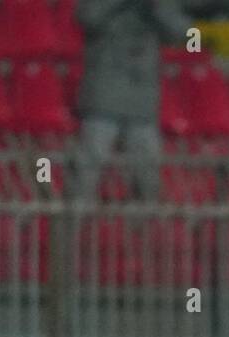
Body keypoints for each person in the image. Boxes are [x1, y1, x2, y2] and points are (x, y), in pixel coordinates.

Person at [76, 0, 189, 199]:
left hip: (142, 101)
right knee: (86, 173)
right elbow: (87, 17)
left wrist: (156, 7)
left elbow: (182, 33)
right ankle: (73, 226)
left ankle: (148, 227)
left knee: (148, 177)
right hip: (103, 96)